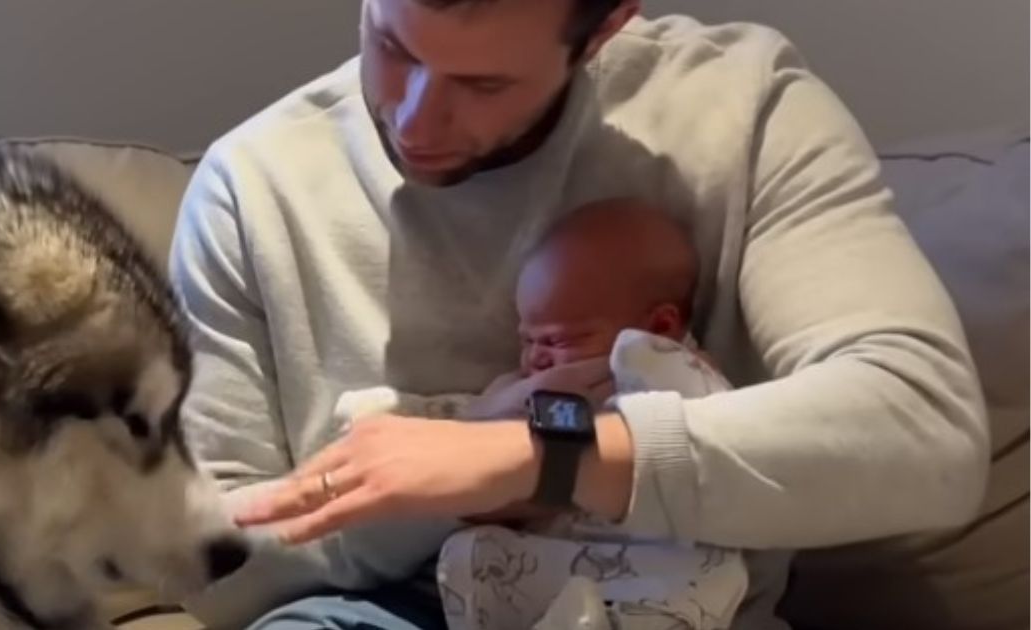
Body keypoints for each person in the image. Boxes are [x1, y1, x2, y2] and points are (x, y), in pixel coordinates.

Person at [167, 1, 989, 628]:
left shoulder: (740, 111)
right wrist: (438, 500)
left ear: (603, 31)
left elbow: (925, 432)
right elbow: (209, 562)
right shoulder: (250, 189)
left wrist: (543, 457)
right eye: (391, 43)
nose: (414, 119)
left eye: (484, 84)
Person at [332, 198, 750, 630]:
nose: (536, 357)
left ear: (659, 329)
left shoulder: (683, 378)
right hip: (541, 578)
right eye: (528, 339)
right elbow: (463, 434)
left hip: (660, 585)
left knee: (697, 589)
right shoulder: (522, 389)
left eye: (559, 340)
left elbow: (724, 456)